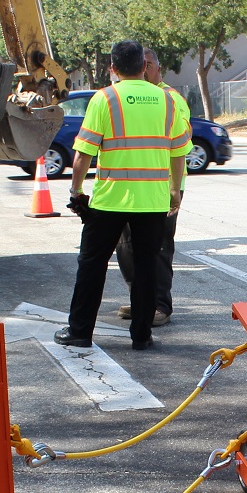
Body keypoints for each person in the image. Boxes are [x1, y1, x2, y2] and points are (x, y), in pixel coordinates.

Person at [55, 40, 190, 351]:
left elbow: (83, 153)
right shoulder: (167, 100)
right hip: (152, 202)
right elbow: (179, 151)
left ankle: (80, 332)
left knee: (92, 264)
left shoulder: (105, 98)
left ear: (113, 68)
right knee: (146, 267)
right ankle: (142, 335)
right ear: (143, 66)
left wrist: (76, 191)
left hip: (110, 200)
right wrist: (174, 190)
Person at [113, 47, 190, 327]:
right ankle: (141, 301)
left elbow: (182, 141)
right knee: (126, 246)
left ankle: (160, 305)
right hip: (129, 185)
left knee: (159, 248)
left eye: (149, 65)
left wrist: (174, 189)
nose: (144, 70)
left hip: (163, 186)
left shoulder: (171, 99)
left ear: (158, 69)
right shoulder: (123, 97)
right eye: (141, 64)